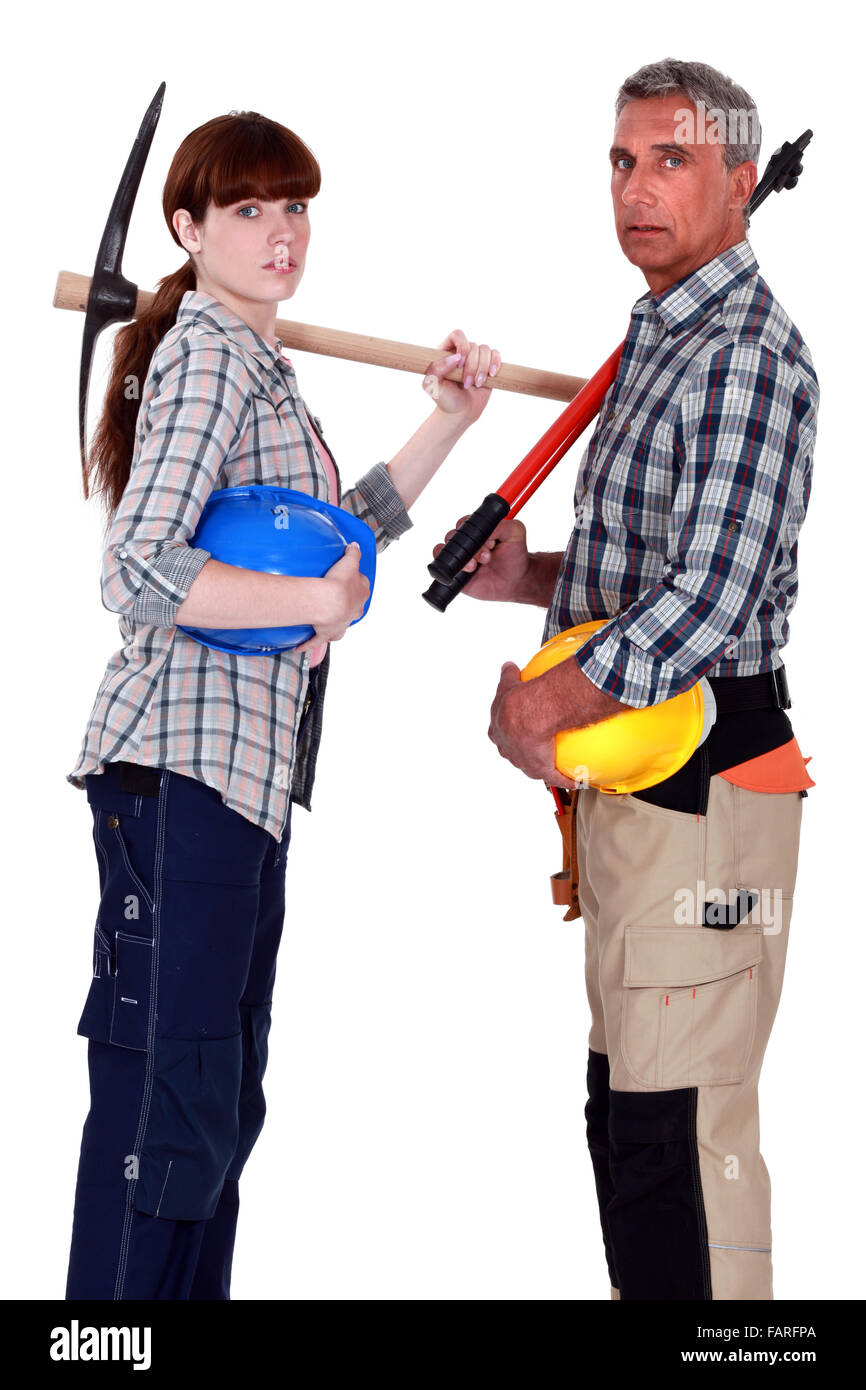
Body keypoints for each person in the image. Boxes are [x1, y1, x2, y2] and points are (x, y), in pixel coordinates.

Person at [65, 108, 500, 1300]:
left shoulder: (255, 363)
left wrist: (446, 424)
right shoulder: (206, 350)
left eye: (293, 206)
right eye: (249, 209)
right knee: (171, 1101)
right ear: (188, 227)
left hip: (241, 790)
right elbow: (139, 566)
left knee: (212, 1104)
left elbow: (331, 534)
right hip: (180, 770)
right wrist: (322, 604)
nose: (280, 232)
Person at [436, 59, 818, 1300]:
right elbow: (654, 568)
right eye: (619, 160)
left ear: (739, 182)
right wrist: (527, 576)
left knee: (678, 1140)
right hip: (645, 779)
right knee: (626, 1117)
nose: (635, 188)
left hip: (709, 775)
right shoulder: (662, 338)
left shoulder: (746, 358)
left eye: (669, 160)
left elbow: (707, 599)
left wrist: (545, 697)